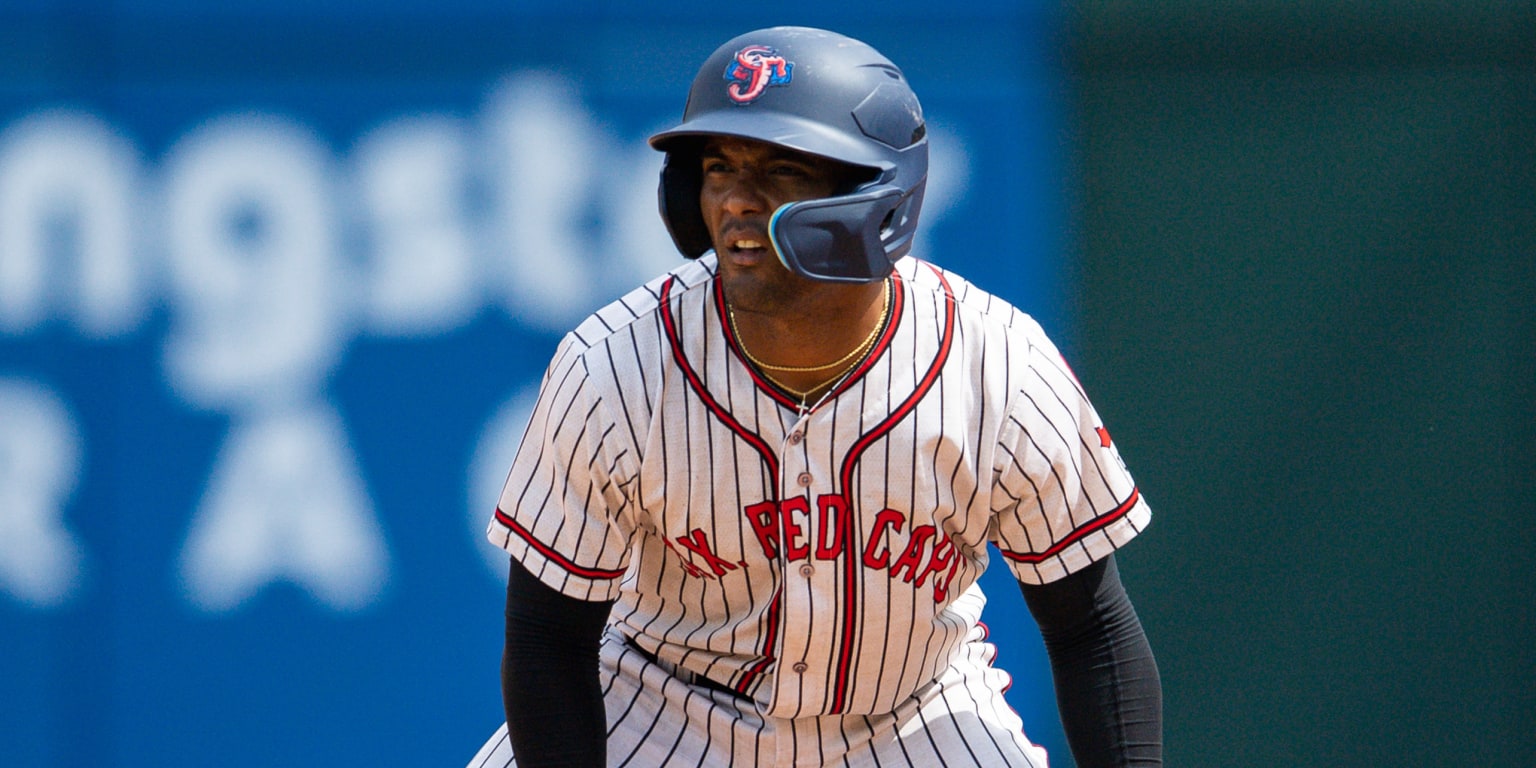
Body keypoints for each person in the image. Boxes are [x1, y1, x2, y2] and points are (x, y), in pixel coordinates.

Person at [468, 26, 1161, 768]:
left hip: (912, 717)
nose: (736, 199)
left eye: (782, 168)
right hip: (661, 703)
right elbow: (549, 640)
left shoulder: (999, 366)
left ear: (876, 198)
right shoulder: (615, 366)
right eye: (719, 166)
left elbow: (1089, 629)